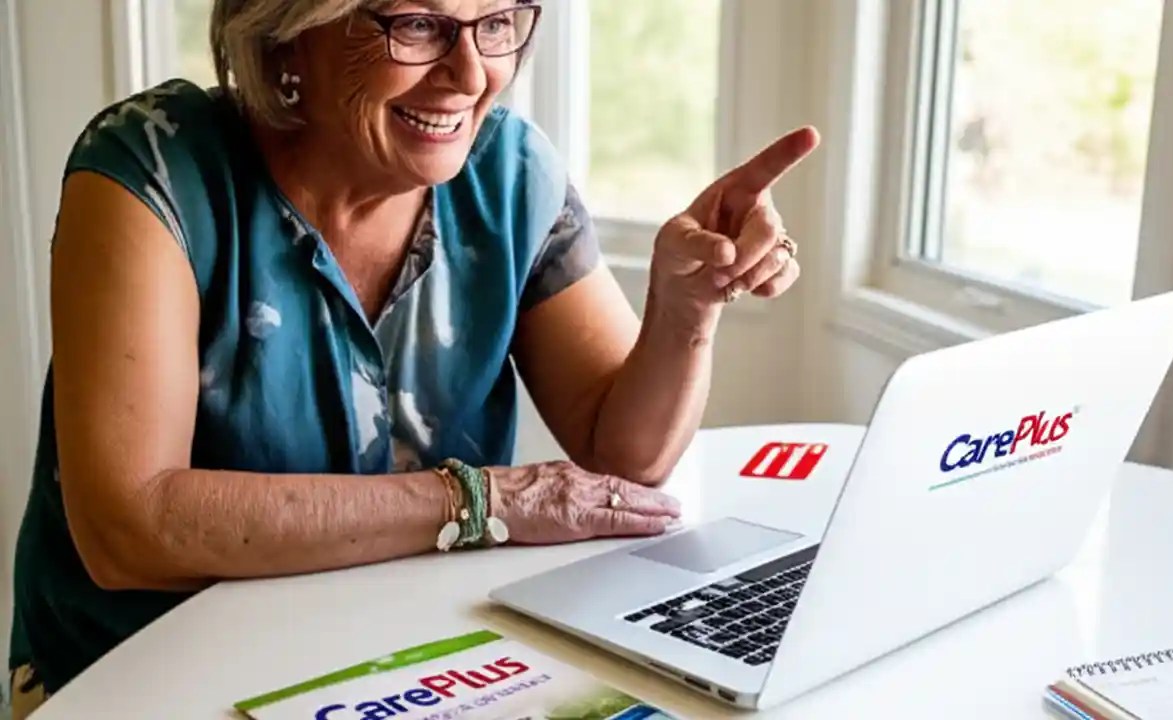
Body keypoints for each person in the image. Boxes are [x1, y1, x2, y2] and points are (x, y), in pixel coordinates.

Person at [7, 0, 818, 714]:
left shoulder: (509, 168)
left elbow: (624, 459)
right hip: (139, 679)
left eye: (497, 22)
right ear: (289, 32)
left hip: (400, 668)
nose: (471, 74)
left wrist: (686, 310)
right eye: (418, 25)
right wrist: (476, 502)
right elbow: (127, 529)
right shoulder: (152, 168)